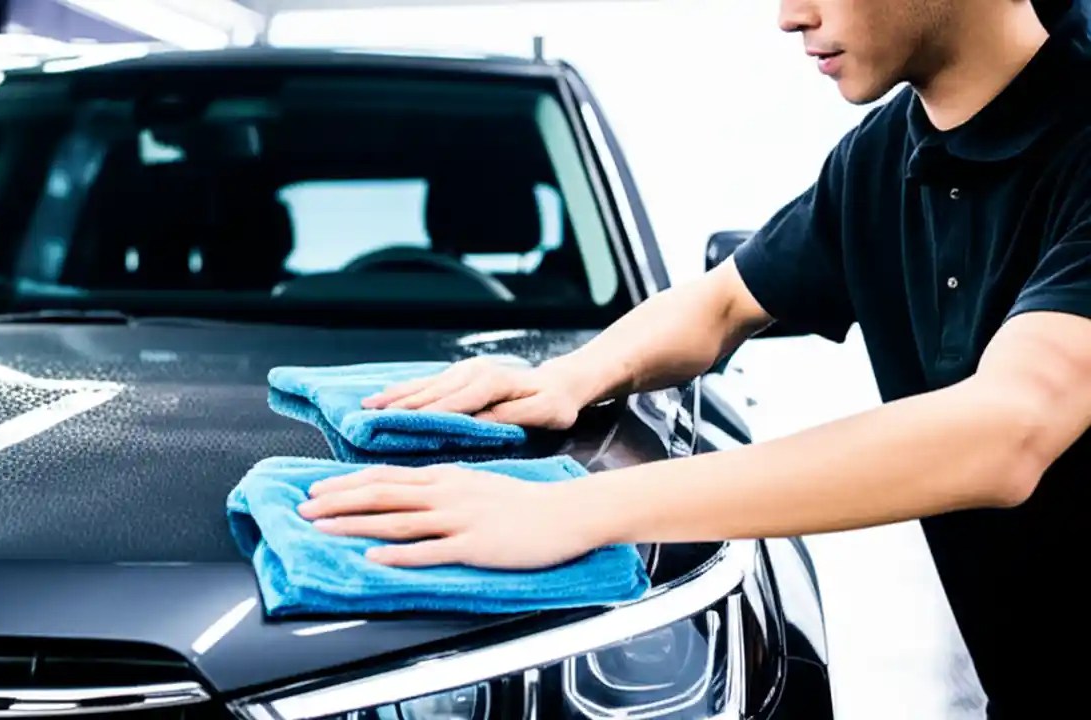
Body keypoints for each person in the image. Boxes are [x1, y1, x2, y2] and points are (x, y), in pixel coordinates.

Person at [297, 0, 1091, 716]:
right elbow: (720, 305)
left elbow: (1007, 430)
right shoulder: (881, 158)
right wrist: (564, 378)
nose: (789, 16)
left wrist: (569, 508)